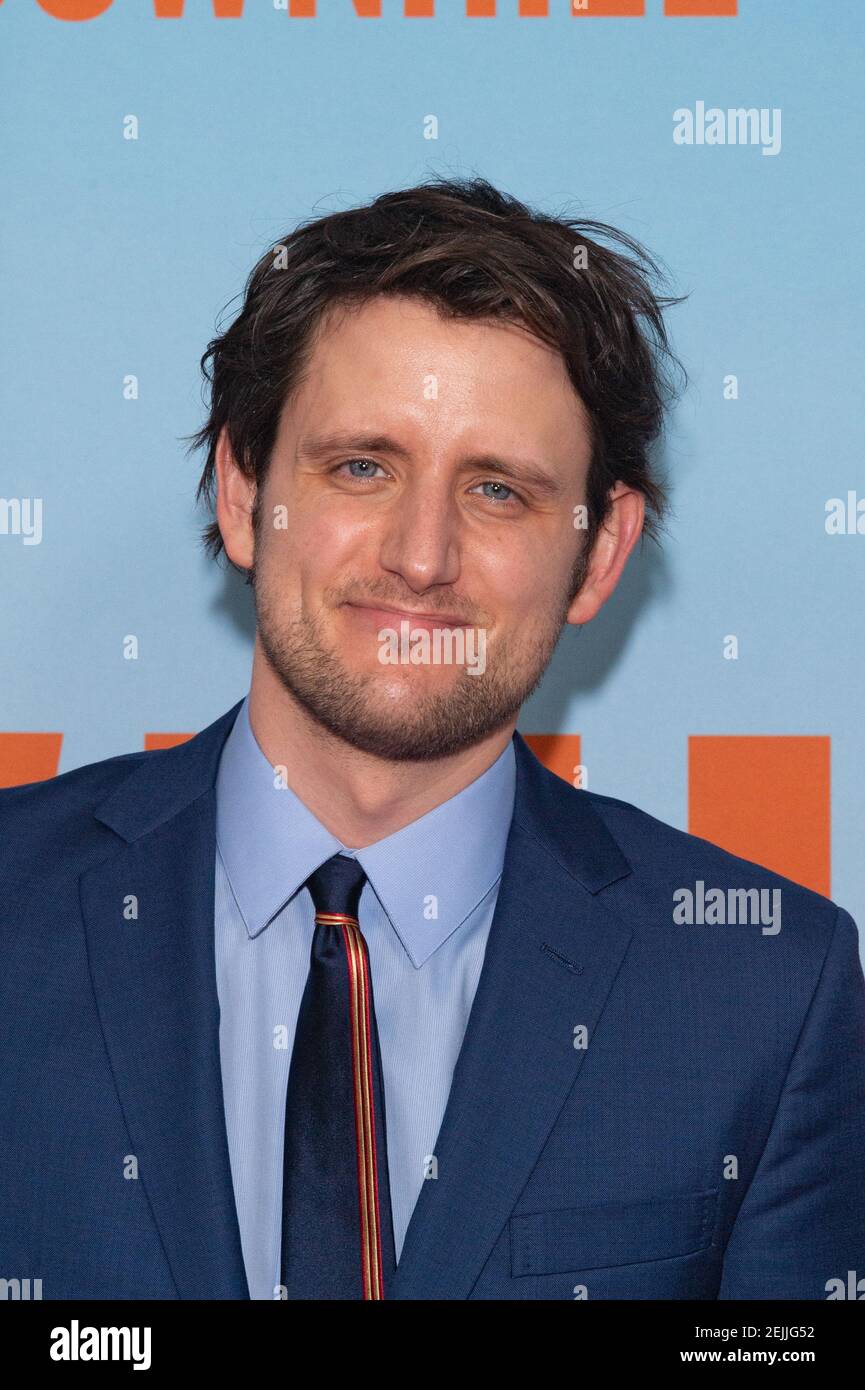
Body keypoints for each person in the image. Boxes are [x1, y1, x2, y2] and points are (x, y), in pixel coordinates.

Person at [1, 177, 863, 1301]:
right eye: (361, 466)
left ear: (600, 555)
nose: (420, 554)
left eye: (498, 490)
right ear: (240, 488)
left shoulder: (761, 988)